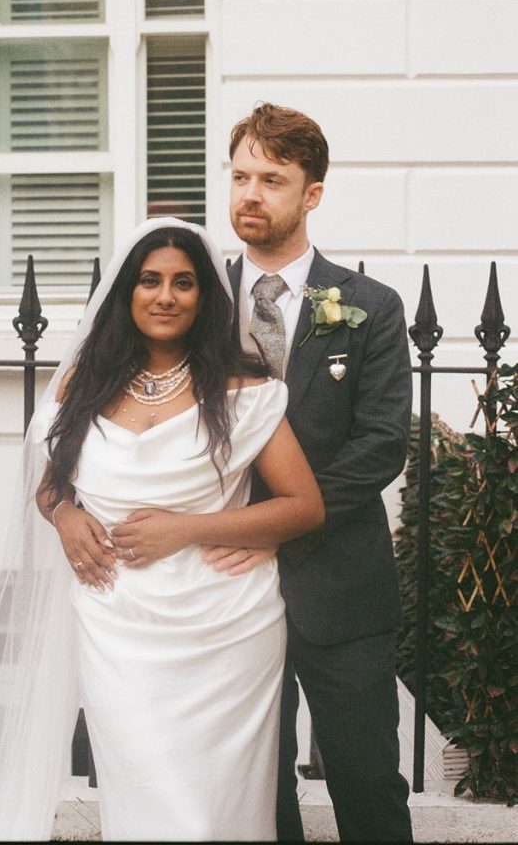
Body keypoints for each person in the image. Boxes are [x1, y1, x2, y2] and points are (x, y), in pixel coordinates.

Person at [0, 217, 324, 843]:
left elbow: (303, 506)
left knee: (217, 811)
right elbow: (51, 484)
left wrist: (186, 530)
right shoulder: (82, 386)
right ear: (126, 292)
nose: (166, 296)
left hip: (225, 628)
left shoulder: (242, 388)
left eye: (183, 283)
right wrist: (65, 516)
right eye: (150, 281)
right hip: (115, 622)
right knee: (144, 800)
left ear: (204, 297)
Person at [205, 103, 413, 842]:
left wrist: (274, 527)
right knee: (252, 790)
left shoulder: (370, 307)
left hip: (340, 588)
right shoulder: (194, 303)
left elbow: (381, 445)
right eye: (238, 176)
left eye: (270, 178)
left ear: (311, 194)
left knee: (365, 781)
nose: (248, 195)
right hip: (221, 589)